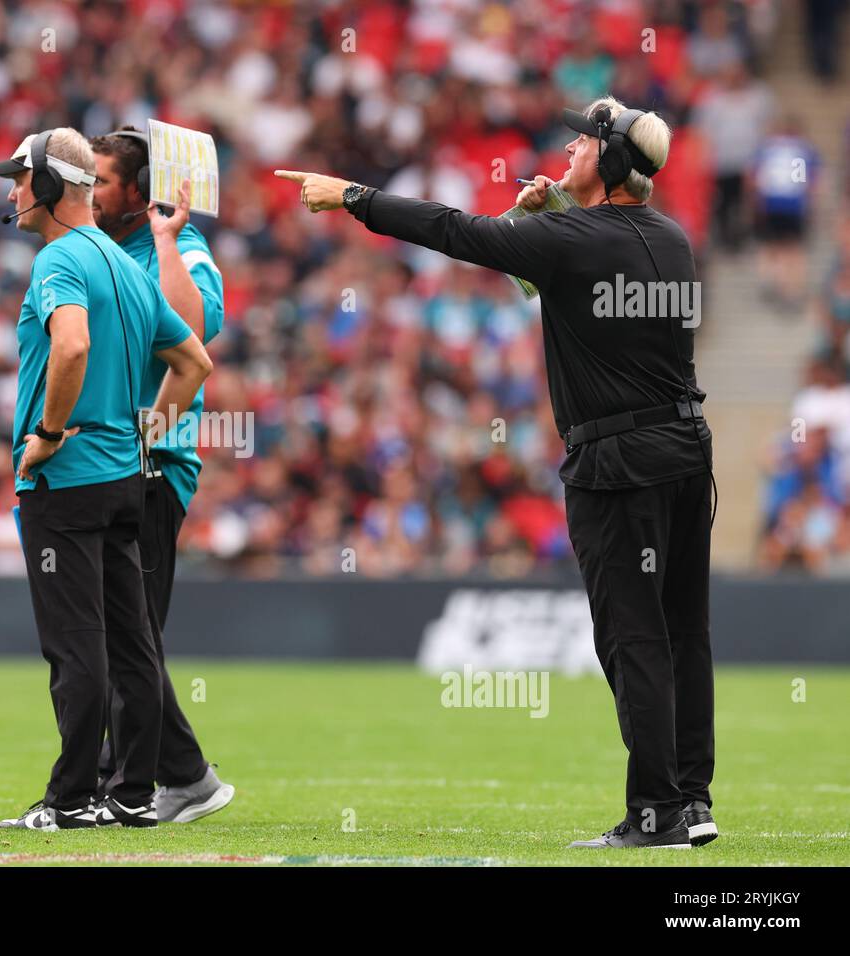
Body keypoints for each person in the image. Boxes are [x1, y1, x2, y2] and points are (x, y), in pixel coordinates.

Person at [277, 96, 718, 850]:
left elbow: (456, 232)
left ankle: (656, 814)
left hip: (618, 464)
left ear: (611, 164)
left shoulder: (569, 237)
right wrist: (541, 226)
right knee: (684, 634)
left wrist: (355, 197)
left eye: (584, 144)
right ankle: (692, 799)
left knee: (633, 638)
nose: (570, 150)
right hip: (685, 454)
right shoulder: (672, 239)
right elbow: (573, 281)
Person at [0, 128, 212, 831]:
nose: (13, 192)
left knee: (76, 644)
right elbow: (195, 363)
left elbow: (73, 342)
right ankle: (136, 792)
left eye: (21, 179)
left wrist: (49, 434)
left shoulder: (60, 258)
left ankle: (72, 798)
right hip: (125, 477)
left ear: (51, 187)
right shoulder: (126, 264)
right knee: (131, 642)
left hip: (69, 479)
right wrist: (143, 435)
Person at [88, 126, 234, 822]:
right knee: (119, 631)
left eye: (99, 181)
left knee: (128, 633)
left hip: (153, 460)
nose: (88, 193)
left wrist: (171, 237)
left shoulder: (181, 250)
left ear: (138, 193)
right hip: (106, 460)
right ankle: (169, 775)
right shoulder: (98, 250)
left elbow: (193, 329)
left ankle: (140, 781)